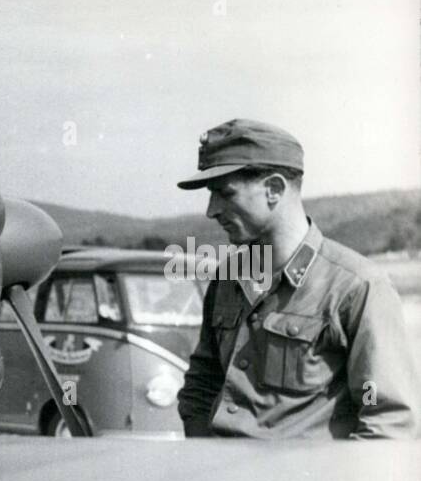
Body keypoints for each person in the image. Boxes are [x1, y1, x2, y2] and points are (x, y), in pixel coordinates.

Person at [175, 119, 417, 438]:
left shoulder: (356, 286)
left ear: (274, 189)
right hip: (222, 480)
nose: (211, 210)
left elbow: (383, 409)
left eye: (225, 193)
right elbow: (202, 383)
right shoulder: (228, 278)